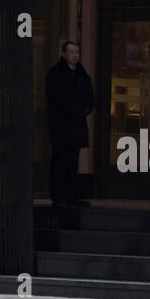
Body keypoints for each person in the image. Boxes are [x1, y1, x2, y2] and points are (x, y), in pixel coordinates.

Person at [46, 40, 94, 208]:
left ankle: (71, 196)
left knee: (73, 161)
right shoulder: (55, 74)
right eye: (72, 52)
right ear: (64, 54)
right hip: (61, 126)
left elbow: (90, 97)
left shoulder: (82, 74)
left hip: (75, 126)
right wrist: (76, 109)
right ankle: (58, 196)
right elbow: (56, 100)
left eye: (77, 52)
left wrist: (84, 109)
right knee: (60, 161)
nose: (75, 55)